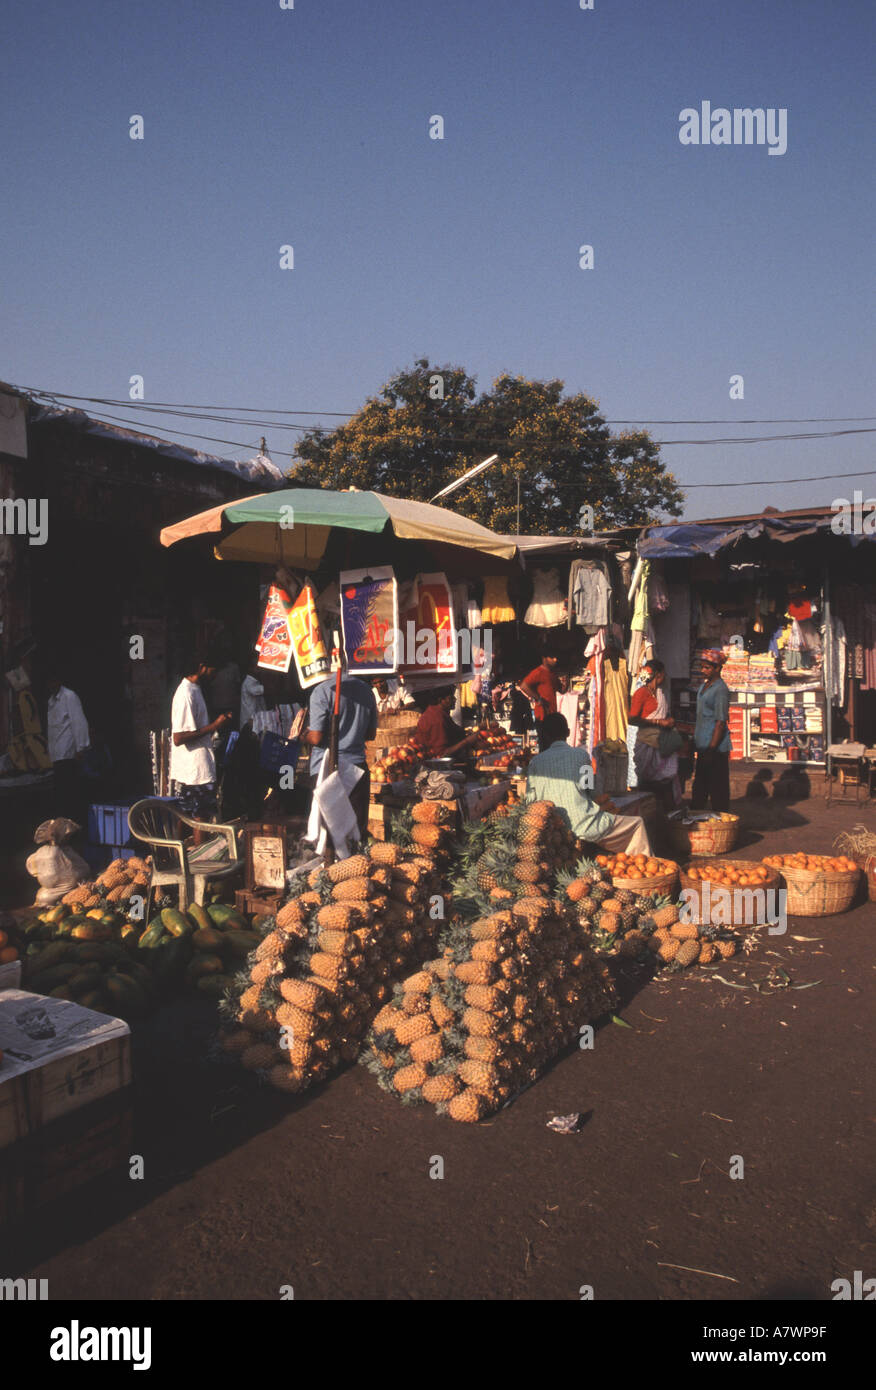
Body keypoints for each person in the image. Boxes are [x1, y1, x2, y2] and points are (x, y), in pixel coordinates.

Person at [526, 712, 653, 855]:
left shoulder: (535, 762)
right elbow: (592, 791)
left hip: (551, 830)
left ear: (545, 735)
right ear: (568, 732)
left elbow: (530, 801)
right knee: (637, 824)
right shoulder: (581, 756)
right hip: (584, 826)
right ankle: (643, 864)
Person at [305, 671, 377, 841]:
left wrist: (303, 736)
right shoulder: (367, 691)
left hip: (328, 768)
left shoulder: (321, 691)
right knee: (355, 836)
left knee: (327, 836)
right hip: (357, 767)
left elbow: (316, 737)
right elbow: (371, 734)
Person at [170, 656, 231, 832]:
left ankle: (183, 849)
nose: (215, 675)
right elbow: (178, 738)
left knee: (188, 814)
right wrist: (215, 725)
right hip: (194, 770)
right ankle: (197, 850)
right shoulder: (186, 693)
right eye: (213, 671)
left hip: (195, 768)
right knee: (199, 817)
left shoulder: (195, 690)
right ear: (202, 667)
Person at [628, 659, 684, 810]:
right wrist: (658, 722)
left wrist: (668, 721)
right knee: (648, 782)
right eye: (663, 674)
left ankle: (666, 813)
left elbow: (664, 714)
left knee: (665, 781)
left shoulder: (660, 692)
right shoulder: (641, 693)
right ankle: (649, 811)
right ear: (658, 675)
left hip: (662, 742)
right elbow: (632, 719)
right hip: (647, 743)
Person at [46, 672, 91, 822]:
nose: (51, 685)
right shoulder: (51, 701)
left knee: (70, 792)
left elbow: (79, 722)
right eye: (49, 682)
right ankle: (64, 825)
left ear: (59, 681)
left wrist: (81, 747)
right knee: (61, 794)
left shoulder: (69, 696)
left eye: (54, 681)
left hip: (69, 754)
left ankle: (74, 823)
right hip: (57, 754)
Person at [691, 650, 732, 812]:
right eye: (702, 667)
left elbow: (720, 722)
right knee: (700, 787)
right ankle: (696, 817)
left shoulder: (720, 689)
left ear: (717, 668)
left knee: (718, 789)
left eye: (707, 668)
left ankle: (721, 819)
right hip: (703, 744)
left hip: (715, 748)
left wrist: (711, 749)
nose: (703, 670)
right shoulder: (704, 686)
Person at [415, 687, 481, 760]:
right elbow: (442, 754)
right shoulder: (437, 720)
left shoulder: (439, 712)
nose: (455, 700)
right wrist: (467, 741)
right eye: (451, 698)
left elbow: (457, 731)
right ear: (440, 700)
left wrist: (476, 730)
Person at [519, 654, 560, 749]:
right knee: (545, 746)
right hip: (542, 716)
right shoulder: (538, 672)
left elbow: (561, 690)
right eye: (552, 657)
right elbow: (524, 686)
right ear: (544, 659)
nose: (555, 659)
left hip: (553, 715)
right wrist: (538, 698)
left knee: (552, 746)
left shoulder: (553, 674)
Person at [240, 658, 268, 728]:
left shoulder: (254, 681)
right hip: (249, 719)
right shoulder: (248, 682)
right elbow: (263, 690)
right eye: (257, 668)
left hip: (255, 718)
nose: (260, 670)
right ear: (250, 669)